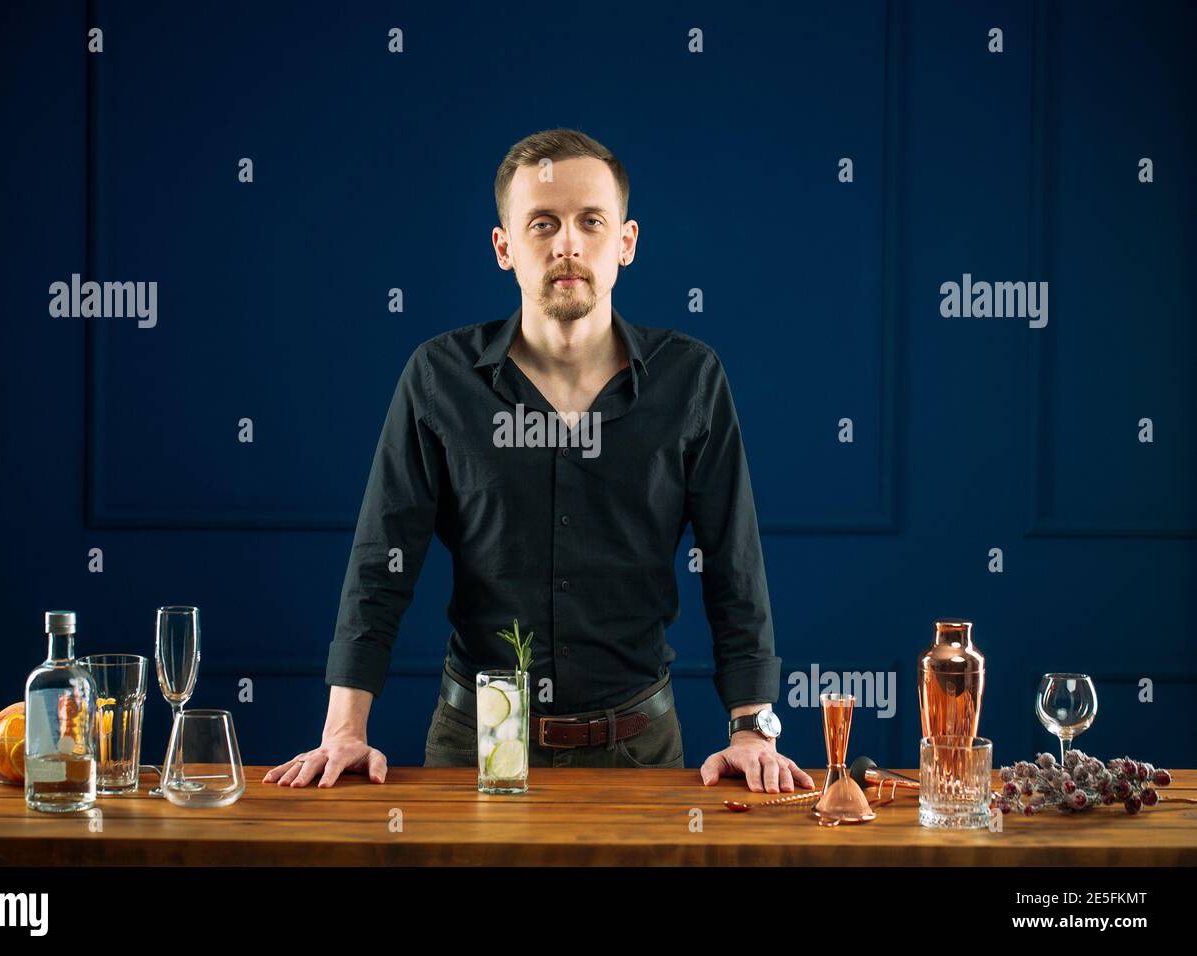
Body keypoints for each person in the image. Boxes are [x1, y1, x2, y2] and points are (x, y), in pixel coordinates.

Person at [264, 128, 814, 795]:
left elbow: (734, 565)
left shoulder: (692, 379)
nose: (568, 244)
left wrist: (753, 729)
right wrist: (344, 730)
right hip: (477, 746)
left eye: (591, 222)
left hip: (639, 753)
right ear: (505, 248)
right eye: (543, 223)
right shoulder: (438, 377)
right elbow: (382, 562)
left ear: (626, 242)